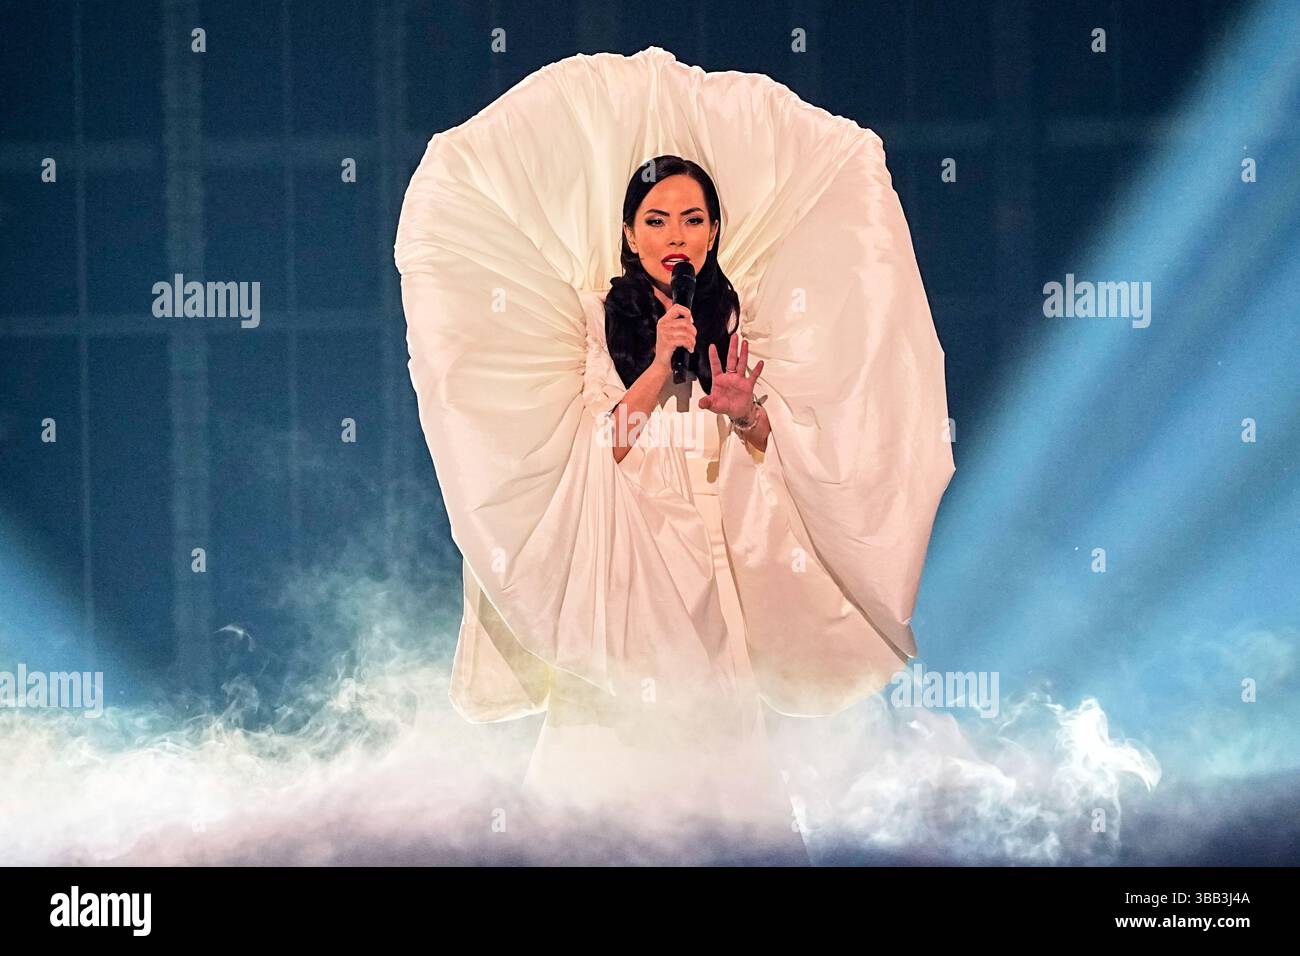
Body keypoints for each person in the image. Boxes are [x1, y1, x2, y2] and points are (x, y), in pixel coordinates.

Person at [394, 46, 956, 866]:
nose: (674, 237)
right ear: (628, 232)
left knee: (725, 794)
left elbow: (772, 459)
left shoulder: (737, 319)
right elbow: (596, 450)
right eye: (656, 221)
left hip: (710, 573)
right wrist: (658, 368)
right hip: (620, 574)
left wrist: (748, 414)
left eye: (692, 220)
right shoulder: (593, 319)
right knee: (598, 794)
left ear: (716, 228)